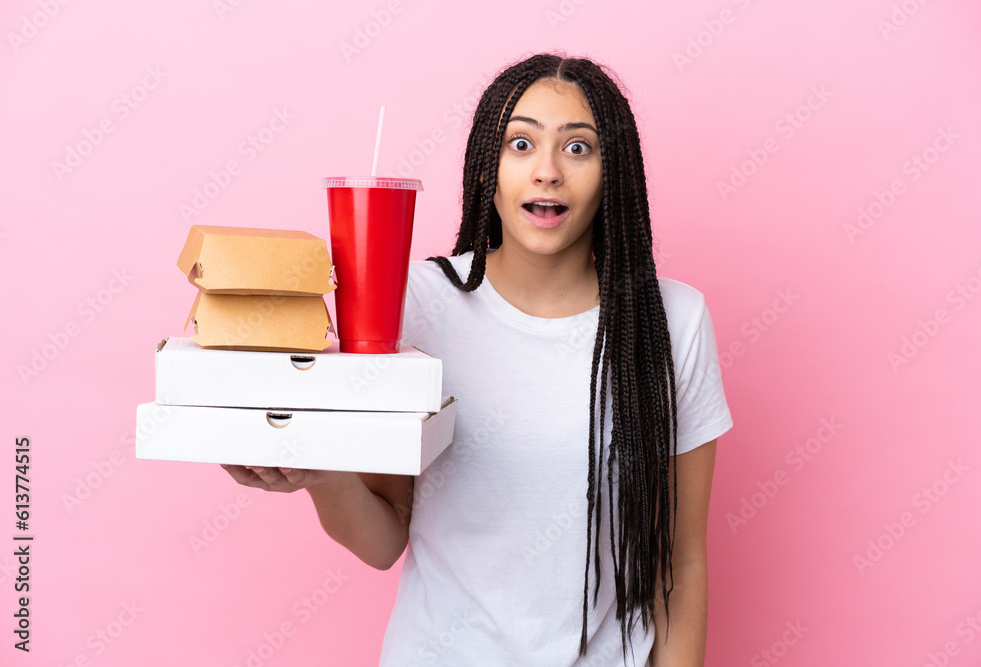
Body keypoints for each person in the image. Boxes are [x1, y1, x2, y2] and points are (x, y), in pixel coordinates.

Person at [222, 52, 733, 667]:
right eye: (521, 143)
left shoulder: (672, 322)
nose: (546, 171)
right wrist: (322, 475)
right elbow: (387, 538)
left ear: (613, 173)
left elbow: (679, 560)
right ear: (486, 167)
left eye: (578, 149)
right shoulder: (415, 304)